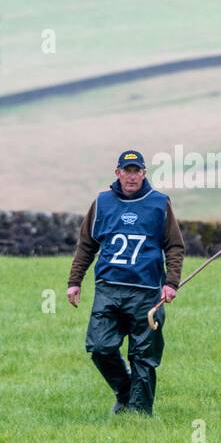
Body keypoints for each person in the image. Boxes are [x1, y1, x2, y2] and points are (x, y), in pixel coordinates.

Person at [66, 150, 185, 416]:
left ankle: (139, 415)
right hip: (109, 289)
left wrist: (171, 282)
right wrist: (75, 281)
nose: (132, 176)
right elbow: (87, 245)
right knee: (99, 346)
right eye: (127, 171)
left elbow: (174, 246)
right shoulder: (102, 203)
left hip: (146, 293)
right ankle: (125, 392)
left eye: (137, 171)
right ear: (117, 173)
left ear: (144, 174)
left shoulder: (159, 204)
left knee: (143, 355)